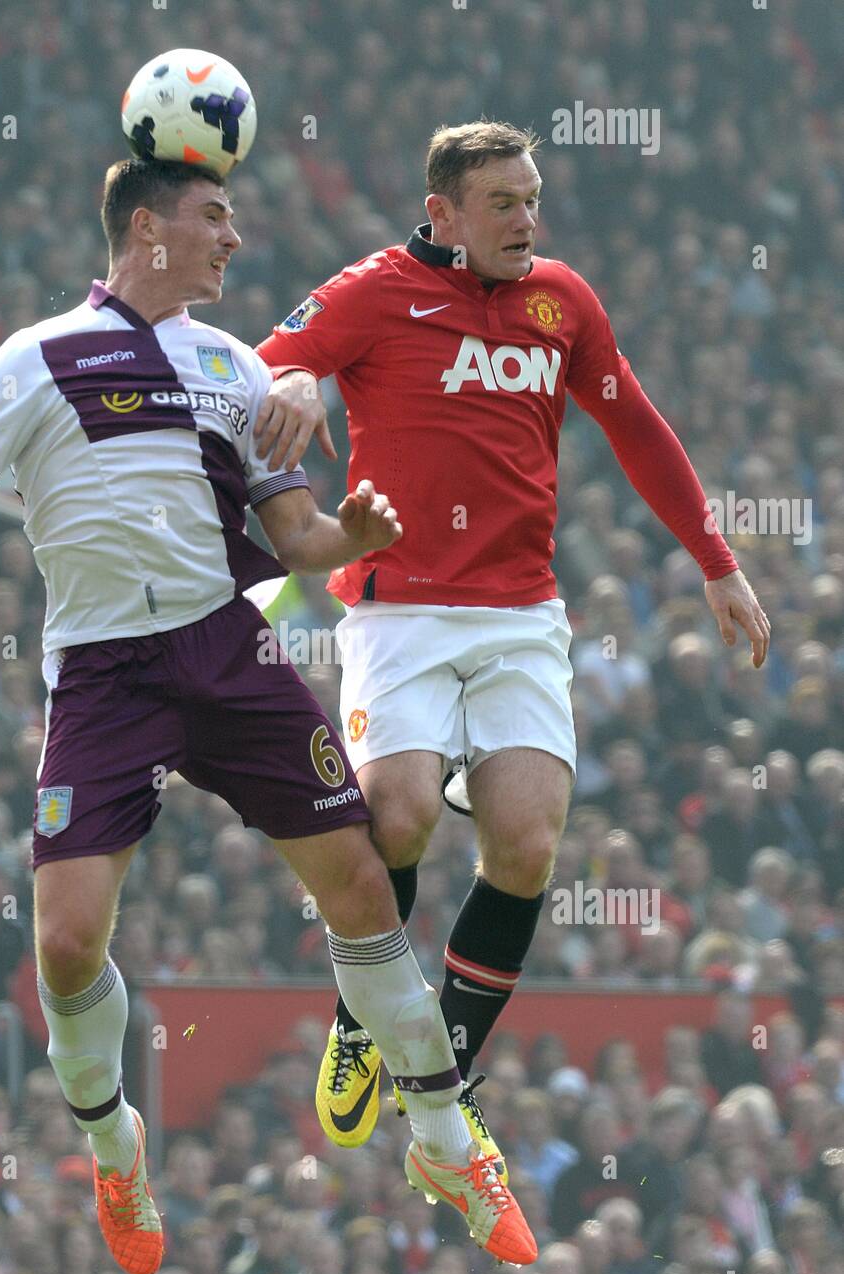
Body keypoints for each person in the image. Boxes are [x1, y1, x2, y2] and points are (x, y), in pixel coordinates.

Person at [0, 157, 537, 1274]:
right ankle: (115, 1144)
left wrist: (356, 534)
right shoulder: (34, 359)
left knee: (364, 885)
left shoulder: (235, 368)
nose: (233, 238)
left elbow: (297, 541)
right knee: (68, 946)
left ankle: (443, 1138)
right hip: (102, 677)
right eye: (214, 216)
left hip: (225, 651)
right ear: (147, 226)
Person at [255, 120, 771, 1169]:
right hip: (397, 605)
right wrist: (294, 377)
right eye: (503, 203)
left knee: (528, 843)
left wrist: (715, 558)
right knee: (395, 816)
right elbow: (262, 363)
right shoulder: (370, 289)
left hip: (521, 614)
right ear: (441, 210)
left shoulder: (560, 303)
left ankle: (437, 1066)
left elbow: (634, 424)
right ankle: (362, 1022)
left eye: (532, 199)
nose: (526, 219)